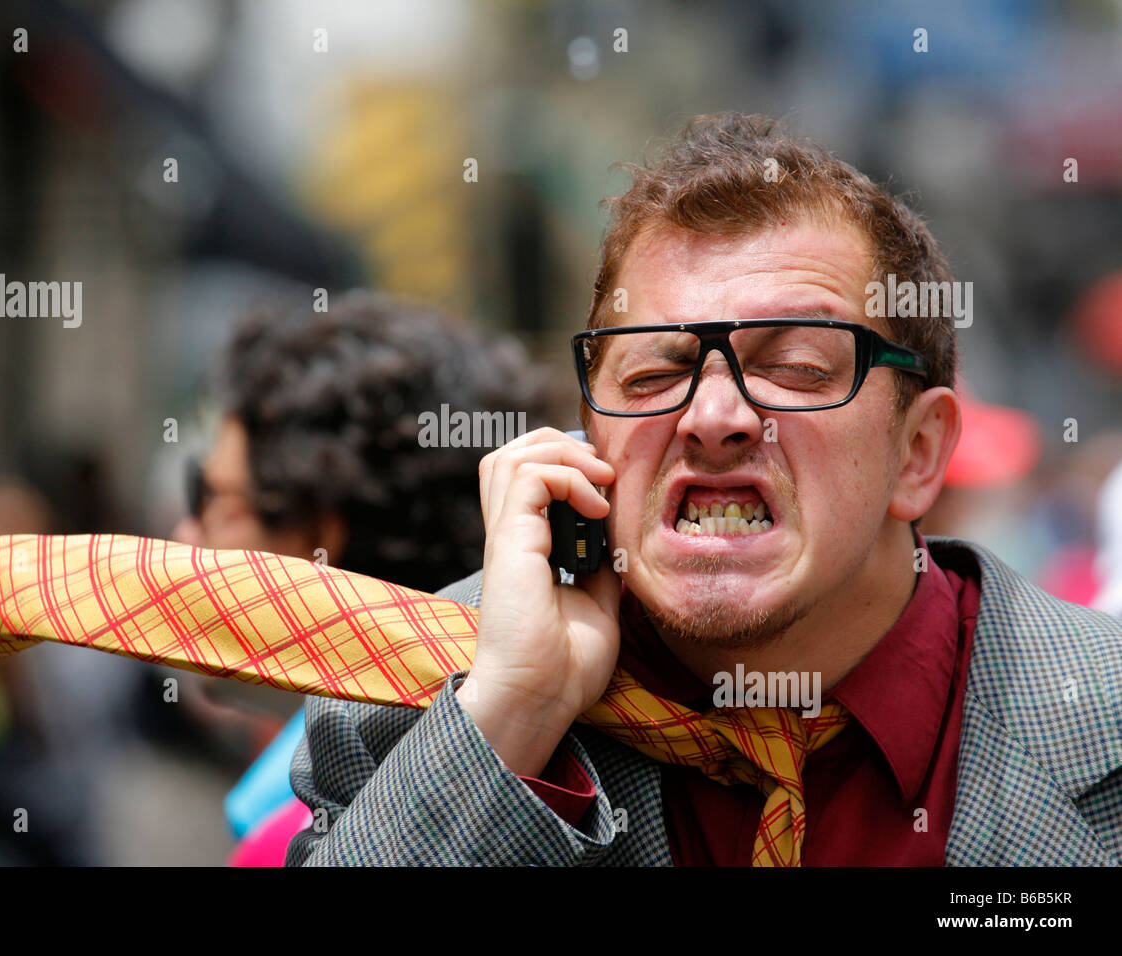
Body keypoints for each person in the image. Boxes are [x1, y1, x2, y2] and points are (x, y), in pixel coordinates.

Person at [286, 113, 1122, 866]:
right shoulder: (412, 705)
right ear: (590, 438)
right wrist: (513, 713)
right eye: (656, 372)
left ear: (919, 451)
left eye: (795, 368)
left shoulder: (1102, 715)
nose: (714, 416)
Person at [167, 289, 558, 863]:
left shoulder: (296, 838)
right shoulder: (551, 770)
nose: (183, 536)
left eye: (214, 500)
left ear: (322, 537)